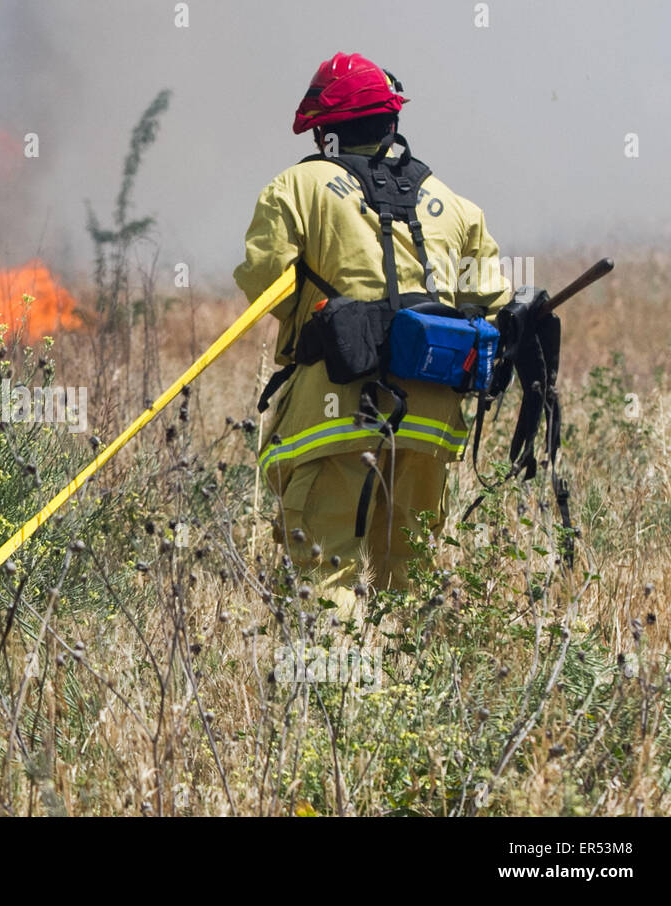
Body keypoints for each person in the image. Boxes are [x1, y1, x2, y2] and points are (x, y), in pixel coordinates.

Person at [233, 52, 511, 593]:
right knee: (411, 577)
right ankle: (418, 676)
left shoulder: (296, 188)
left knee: (323, 574)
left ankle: (339, 680)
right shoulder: (454, 203)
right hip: (431, 418)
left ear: (325, 132)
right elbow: (491, 300)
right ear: (392, 122)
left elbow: (264, 280)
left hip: (337, 412)